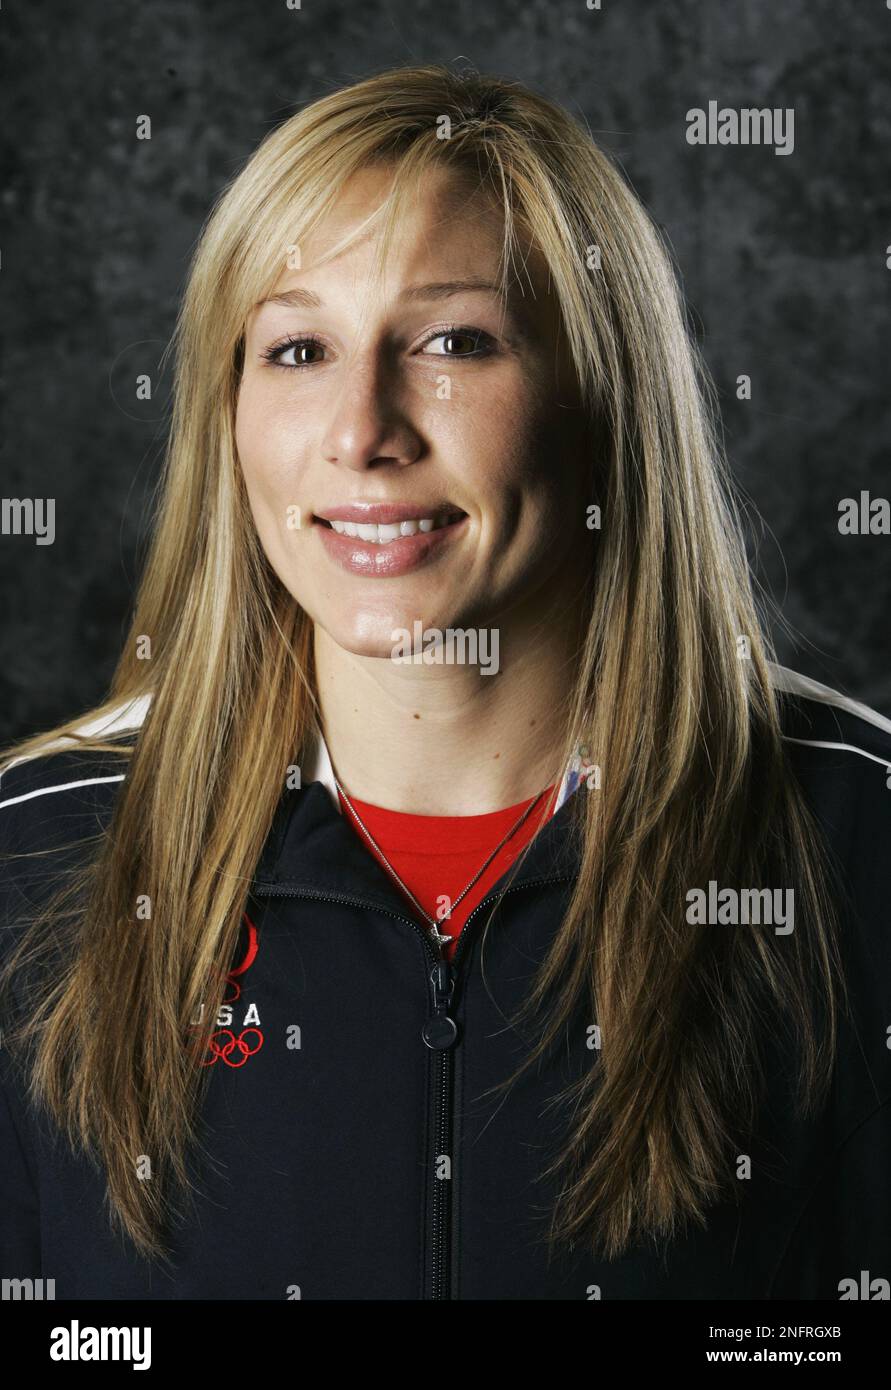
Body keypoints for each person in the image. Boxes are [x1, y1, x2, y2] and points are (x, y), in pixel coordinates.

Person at [1, 64, 889, 1302]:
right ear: (229, 412)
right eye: (298, 346)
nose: (362, 429)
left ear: (605, 393)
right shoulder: (34, 855)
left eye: (454, 341)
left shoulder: (855, 838)